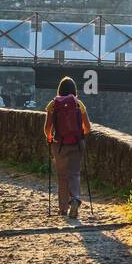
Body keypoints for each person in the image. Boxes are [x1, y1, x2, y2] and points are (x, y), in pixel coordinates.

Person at [42, 76, 91, 218]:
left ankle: (63, 208)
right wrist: (80, 134)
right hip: (76, 143)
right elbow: (88, 127)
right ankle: (75, 199)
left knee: (62, 176)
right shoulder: (78, 104)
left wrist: (49, 137)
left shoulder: (53, 104)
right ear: (74, 90)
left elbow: (47, 128)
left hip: (59, 144)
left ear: (59, 89)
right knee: (74, 174)